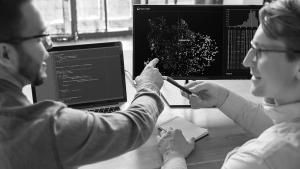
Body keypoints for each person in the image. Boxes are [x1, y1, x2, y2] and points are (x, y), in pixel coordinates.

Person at [0, 0, 165, 168]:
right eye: (38, 38)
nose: (47, 52)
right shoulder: (44, 128)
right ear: (5, 54)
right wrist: (149, 86)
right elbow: (134, 127)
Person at [158, 0, 300, 168]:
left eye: (261, 51)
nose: (247, 62)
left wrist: (172, 156)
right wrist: (222, 97)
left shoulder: (256, 160)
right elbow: (275, 124)